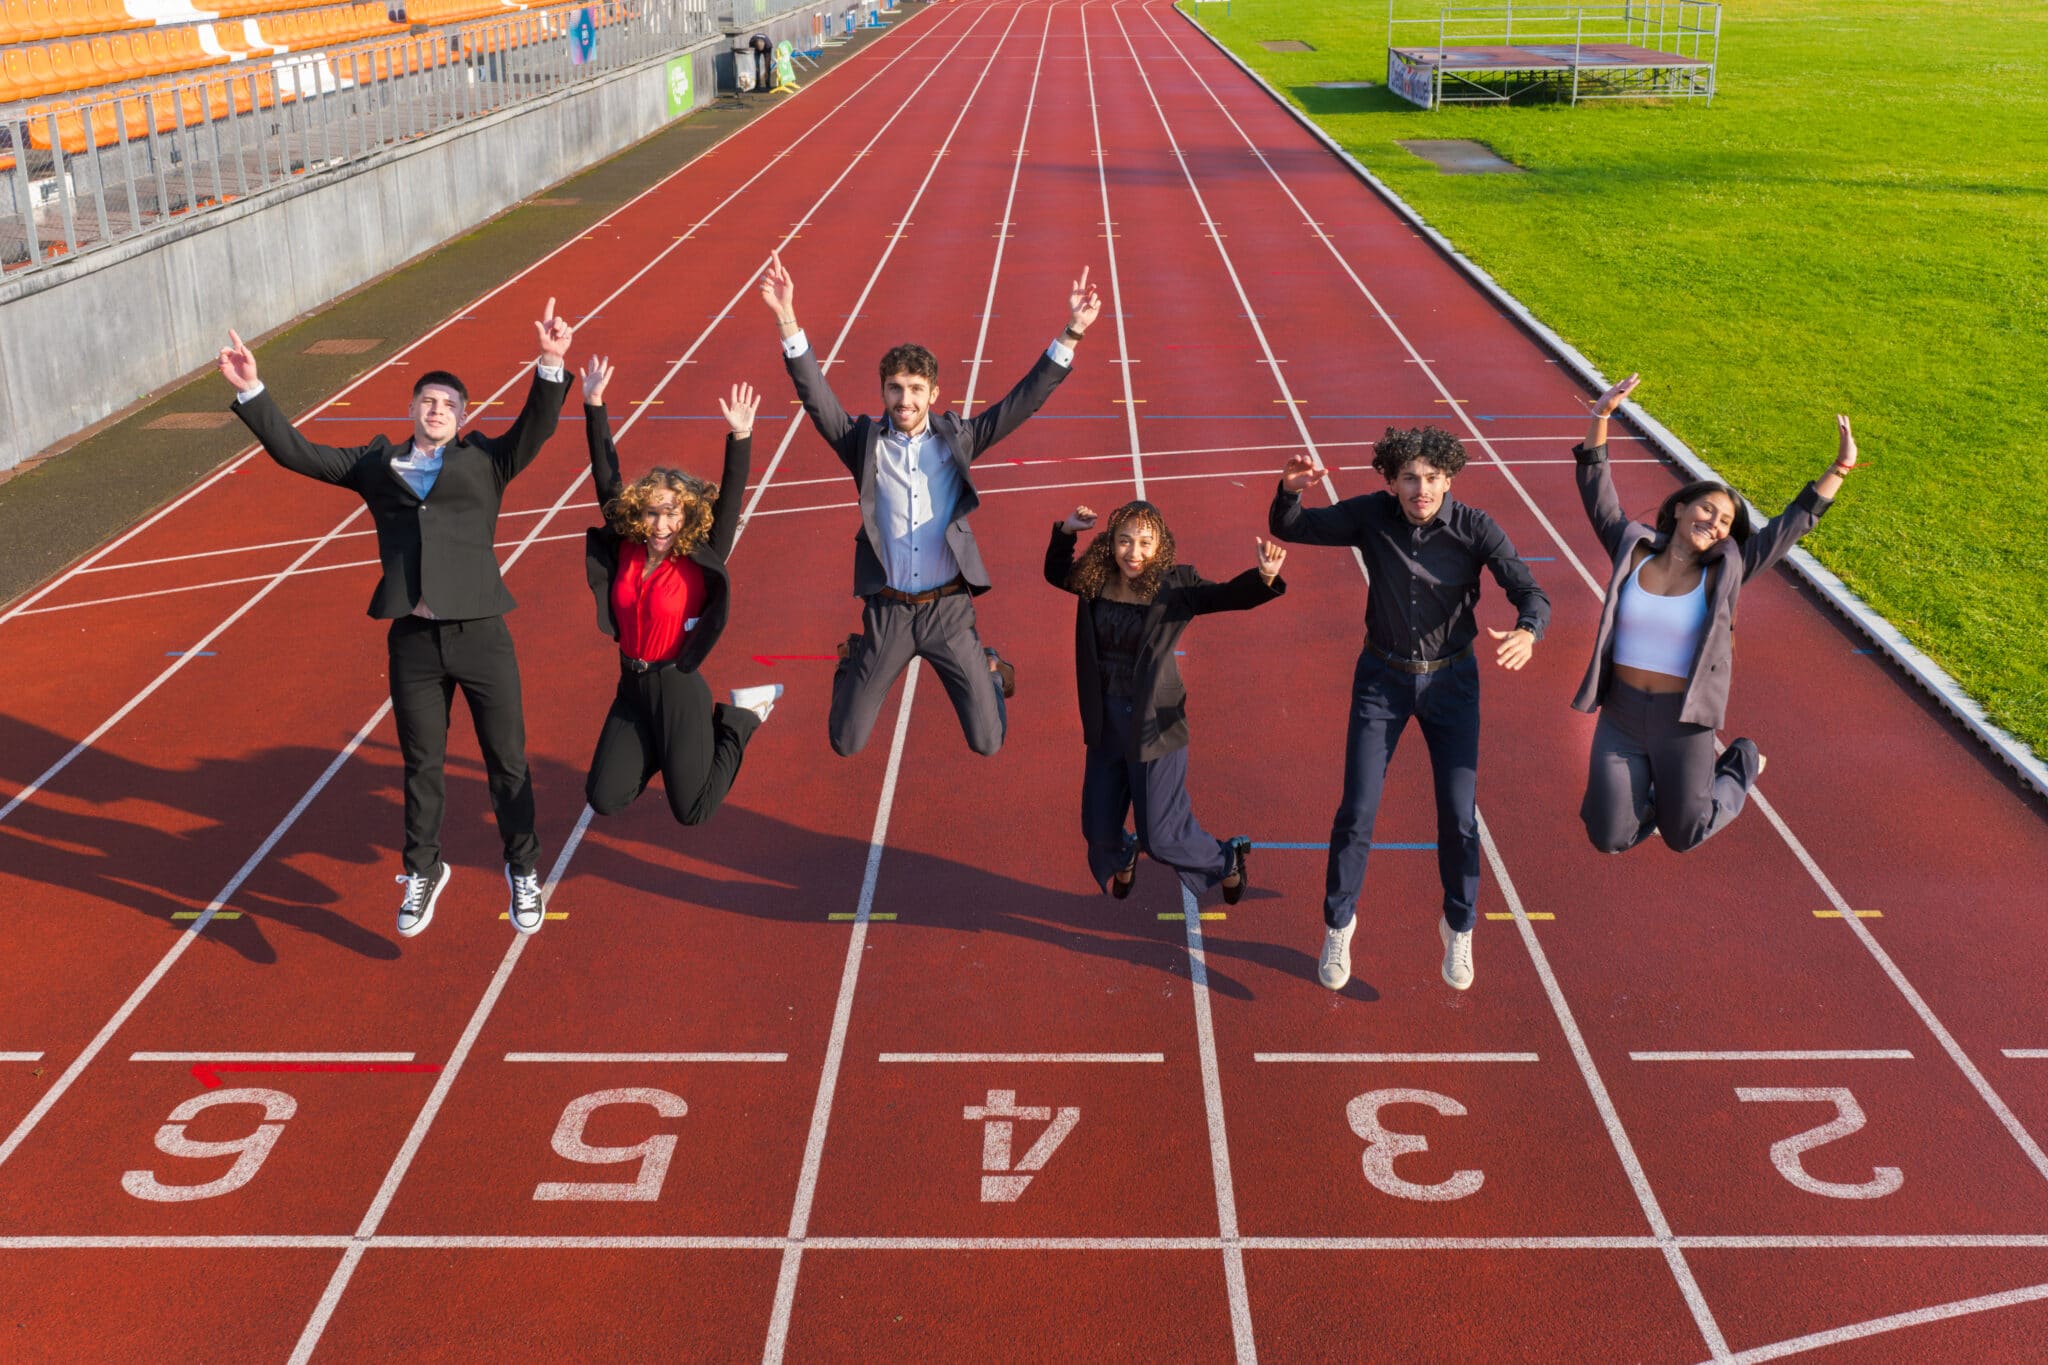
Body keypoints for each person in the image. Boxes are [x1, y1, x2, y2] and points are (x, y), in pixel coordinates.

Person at [218, 300, 574, 937]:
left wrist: (550, 361)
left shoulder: (487, 461)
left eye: (447, 403)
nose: (436, 408)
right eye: (426, 400)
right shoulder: (375, 466)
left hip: (482, 633)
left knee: (508, 762)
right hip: (412, 639)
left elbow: (537, 427)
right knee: (422, 764)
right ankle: (422, 871)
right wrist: (254, 392)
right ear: (412, 410)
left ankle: (523, 869)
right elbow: (298, 453)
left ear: (463, 417)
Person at [759, 250, 1101, 757]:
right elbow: (816, 396)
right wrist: (787, 317)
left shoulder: (958, 439)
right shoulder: (861, 443)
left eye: (916, 389)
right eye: (895, 388)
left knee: (988, 741)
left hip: (947, 610)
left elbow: (1023, 401)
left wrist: (1071, 333)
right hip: (888, 613)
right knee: (845, 741)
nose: (905, 399)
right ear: (883, 391)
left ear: (933, 392)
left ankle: (984, 665)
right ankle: (854, 662)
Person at [1268, 429, 1550, 994]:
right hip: (1382, 680)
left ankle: (1459, 925)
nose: (1420, 489)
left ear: (1449, 479)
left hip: (1452, 683)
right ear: (1391, 482)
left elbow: (1532, 593)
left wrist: (1528, 631)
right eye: (1408, 479)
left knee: (1458, 815)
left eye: (1431, 478)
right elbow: (1291, 527)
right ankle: (1339, 924)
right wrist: (1289, 491)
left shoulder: (1476, 528)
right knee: (1358, 810)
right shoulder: (1372, 516)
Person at [1572, 373, 1856, 854]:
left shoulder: (1726, 570)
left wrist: (1840, 469)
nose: (1715, 523)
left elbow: (1789, 527)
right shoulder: (1631, 547)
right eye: (1707, 509)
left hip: (1683, 720)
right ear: (1680, 509)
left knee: (1685, 835)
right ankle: (1652, 795)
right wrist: (1600, 416)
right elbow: (1596, 488)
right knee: (1608, 837)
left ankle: (1741, 762)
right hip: (1620, 715)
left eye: (1725, 521)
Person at [1045, 501, 1286, 904]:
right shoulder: (1094, 578)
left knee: (1161, 838)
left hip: (1154, 725)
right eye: (1124, 541)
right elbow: (1056, 572)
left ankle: (1227, 859)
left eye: (1143, 542)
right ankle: (1124, 857)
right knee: (1098, 830)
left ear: (1160, 546)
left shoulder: (1176, 586)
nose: (1133, 552)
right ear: (1111, 543)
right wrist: (1067, 531)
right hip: (1104, 722)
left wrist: (1264, 576)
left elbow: (1226, 596)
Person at [580, 358, 781, 830]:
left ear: (687, 516)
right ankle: (673, 749)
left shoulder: (698, 557)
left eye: (672, 514)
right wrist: (594, 404)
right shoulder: (628, 548)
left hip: (677, 687)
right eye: (652, 513)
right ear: (639, 514)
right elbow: (605, 477)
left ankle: (737, 720)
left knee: (691, 810)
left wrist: (741, 437)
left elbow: (730, 501)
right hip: (631, 688)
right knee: (604, 797)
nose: (661, 524)